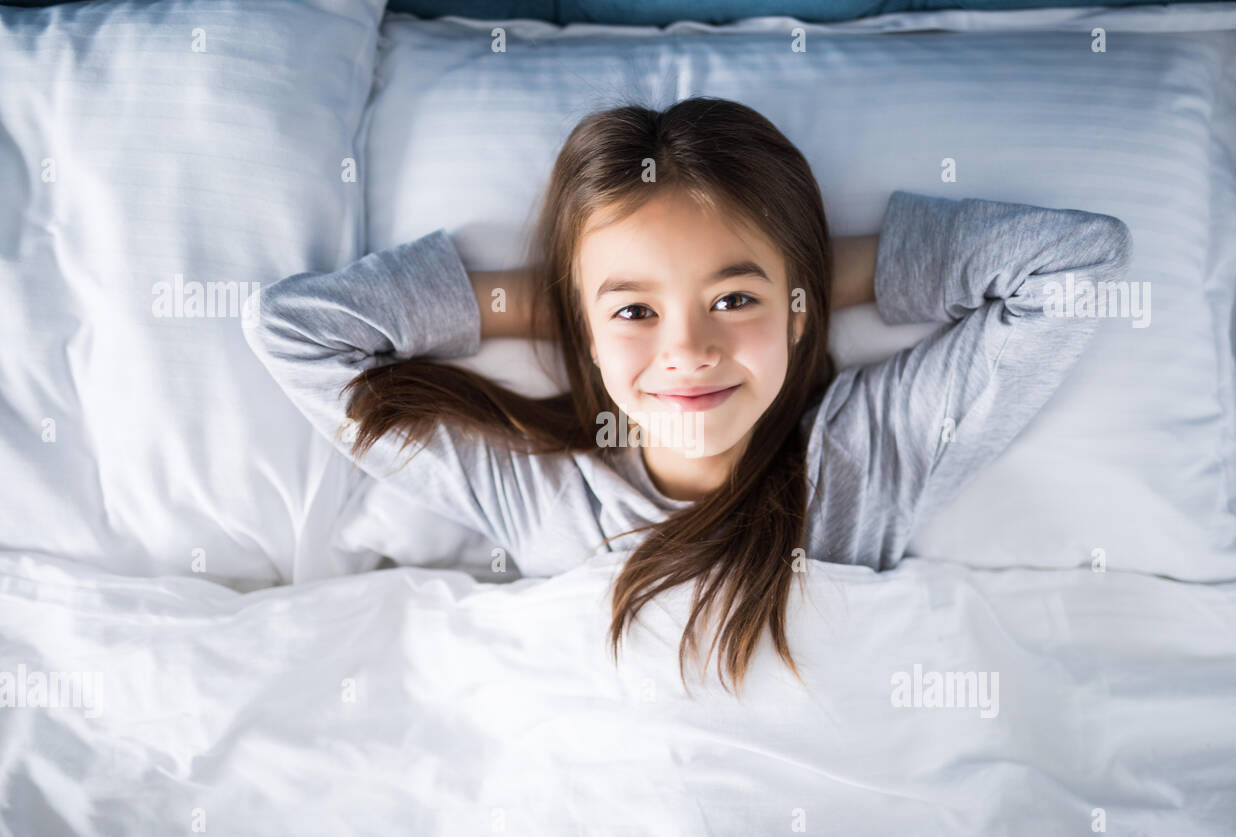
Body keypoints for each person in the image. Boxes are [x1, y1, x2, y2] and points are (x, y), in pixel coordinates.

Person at [243, 96, 1133, 695]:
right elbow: (294, 328)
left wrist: (809, 281)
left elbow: (1075, 263)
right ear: (583, 327)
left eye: (733, 300)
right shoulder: (539, 487)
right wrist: (543, 303)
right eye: (636, 311)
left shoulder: (873, 452)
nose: (689, 351)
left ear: (795, 311)